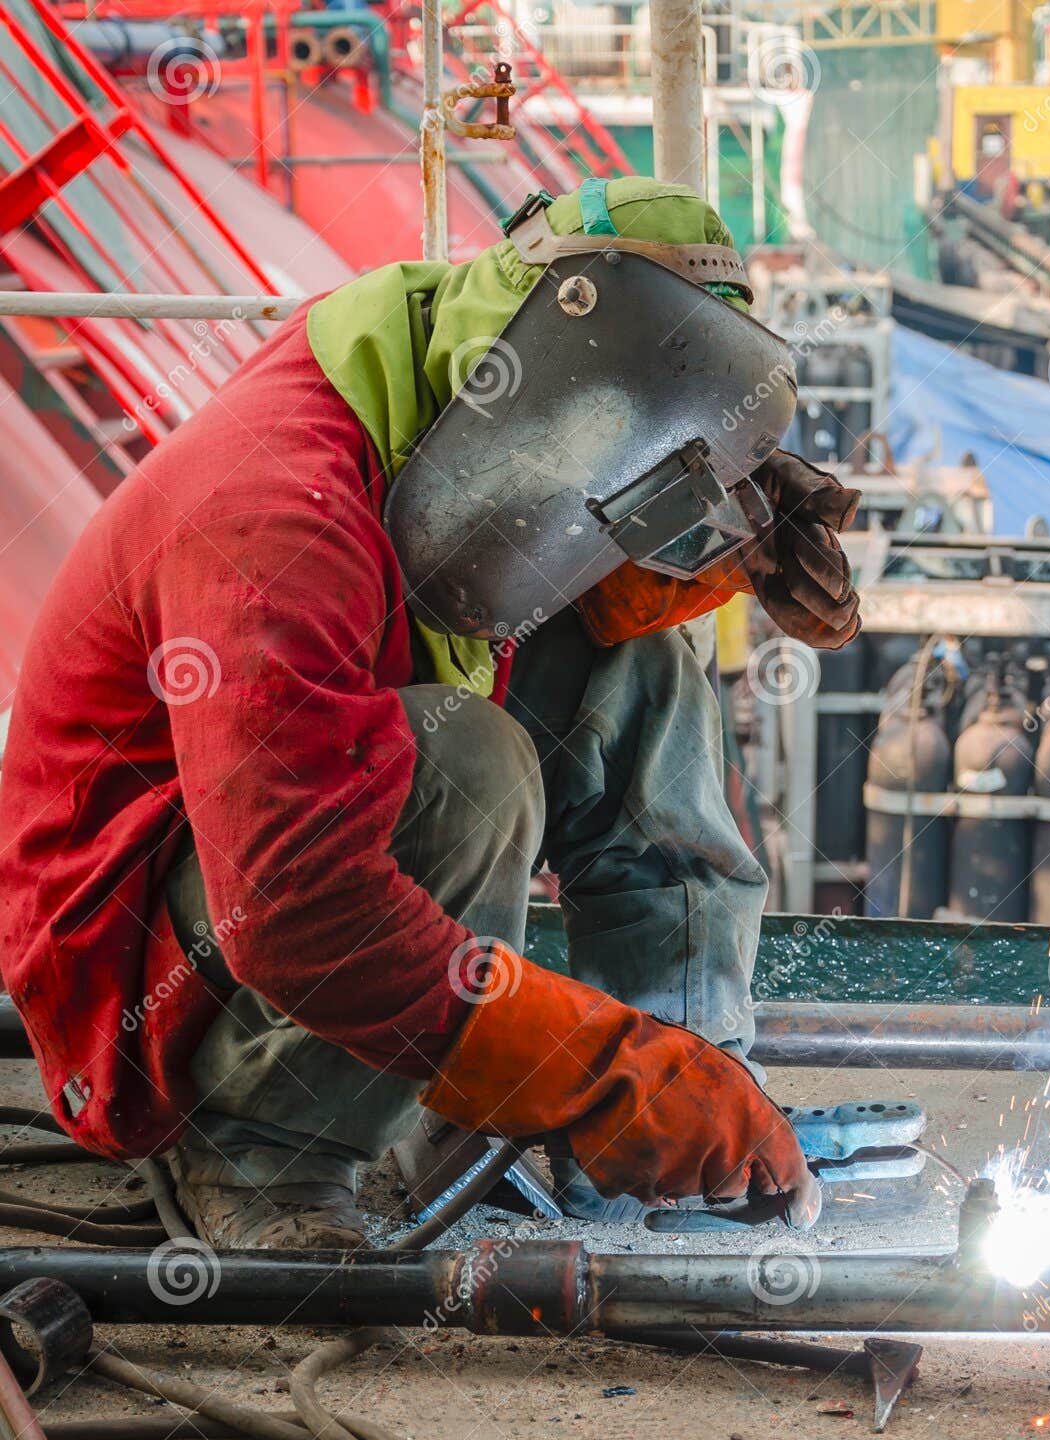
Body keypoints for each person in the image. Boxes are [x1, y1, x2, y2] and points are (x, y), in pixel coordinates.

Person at [0, 177, 860, 1249]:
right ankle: (269, 1150)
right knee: (468, 762)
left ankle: (691, 1099)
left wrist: (721, 512)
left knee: (638, 671)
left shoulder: (438, 352)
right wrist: (598, 1076)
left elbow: (531, 540)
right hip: (142, 958)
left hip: (261, 856)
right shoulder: (268, 518)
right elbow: (297, 906)